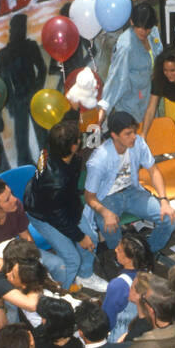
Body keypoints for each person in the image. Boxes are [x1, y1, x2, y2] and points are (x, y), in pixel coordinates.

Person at [82, 111, 175, 261]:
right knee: (108, 225)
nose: (134, 136)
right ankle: (121, 257)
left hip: (132, 191)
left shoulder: (138, 142)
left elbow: (154, 171)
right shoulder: (99, 159)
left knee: (170, 218)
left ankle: (145, 254)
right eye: (128, 134)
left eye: (134, 132)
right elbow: (89, 197)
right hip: (107, 198)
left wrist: (164, 201)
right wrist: (105, 213)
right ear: (114, 135)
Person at [26, 121, 107, 293]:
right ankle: (61, 292)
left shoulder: (47, 150)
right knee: (72, 260)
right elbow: (58, 217)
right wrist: (79, 237)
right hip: (43, 215)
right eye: (78, 139)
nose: (81, 140)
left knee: (91, 238)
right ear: (72, 147)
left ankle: (85, 276)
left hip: (62, 202)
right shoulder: (56, 181)